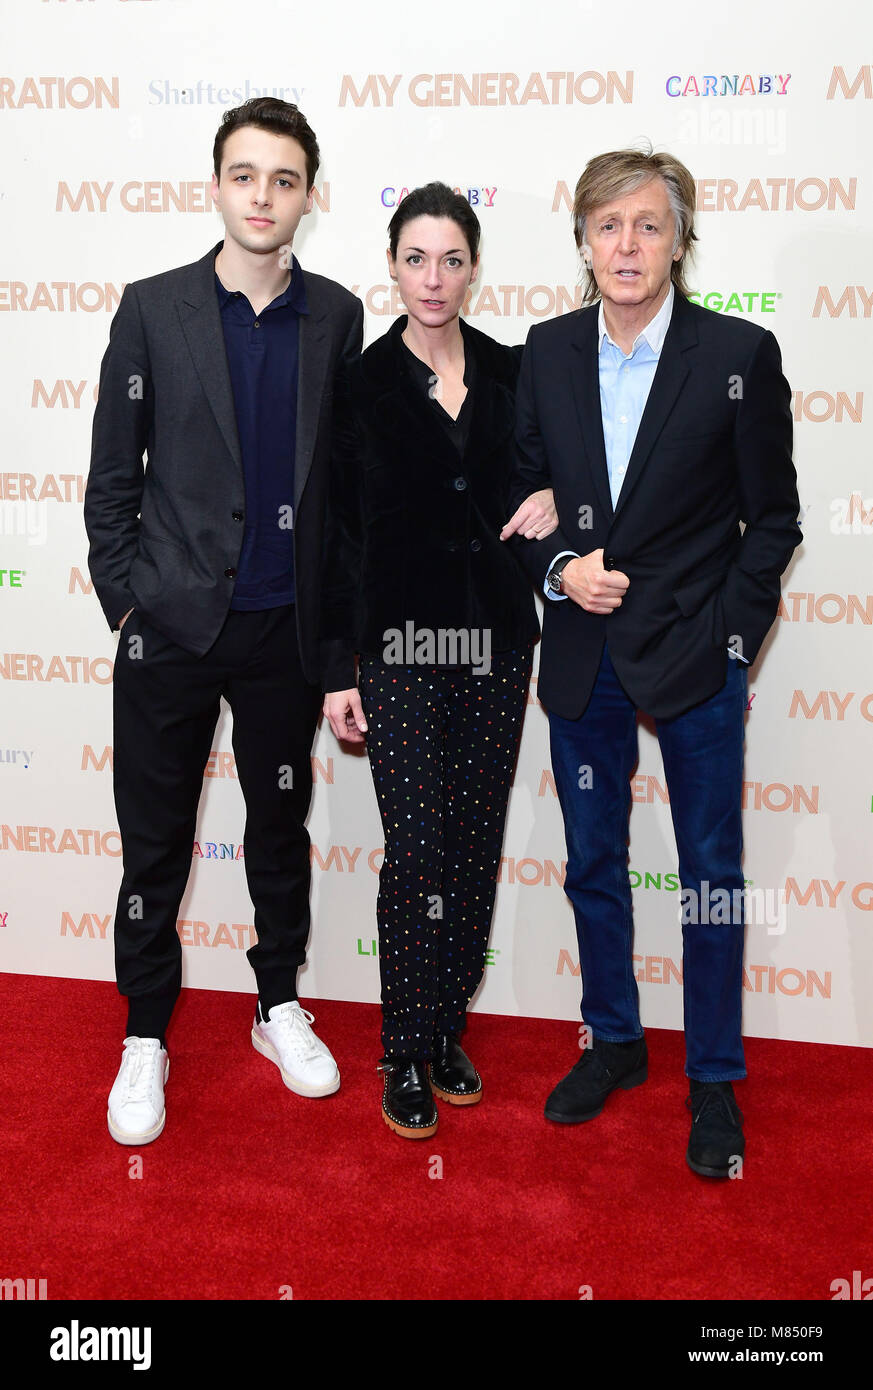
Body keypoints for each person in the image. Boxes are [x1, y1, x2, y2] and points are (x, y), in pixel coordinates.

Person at [504, 147, 801, 1177]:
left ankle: (714, 1075)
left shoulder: (738, 352)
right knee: (593, 863)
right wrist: (558, 570)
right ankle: (616, 1041)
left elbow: (774, 520)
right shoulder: (542, 350)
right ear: (582, 241)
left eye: (647, 226)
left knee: (711, 877)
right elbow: (528, 491)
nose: (626, 246)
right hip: (584, 652)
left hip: (694, 658)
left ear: (681, 241)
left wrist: (730, 636)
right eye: (606, 226)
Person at [85, 97, 363, 1145]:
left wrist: (335, 648)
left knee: (277, 831)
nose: (263, 196)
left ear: (306, 197)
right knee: (152, 845)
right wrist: (132, 602)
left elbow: (337, 506)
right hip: (171, 632)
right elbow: (113, 482)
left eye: (284, 179)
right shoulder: (153, 309)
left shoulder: (335, 317)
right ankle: (145, 1034)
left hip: (282, 635)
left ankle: (276, 1001)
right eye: (246, 175)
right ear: (216, 185)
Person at [322, 182, 555, 1139]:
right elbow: (336, 536)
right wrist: (338, 666)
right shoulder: (360, 385)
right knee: (416, 849)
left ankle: (447, 1025)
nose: (434, 277)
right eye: (416, 258)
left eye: (451, 259)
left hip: (495, 645)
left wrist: (552, 501)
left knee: (470, 841)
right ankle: (404, 1046)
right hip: (402, 649)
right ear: (390, 265)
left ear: (473, 267)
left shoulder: (511, 371)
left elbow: (552, 476)